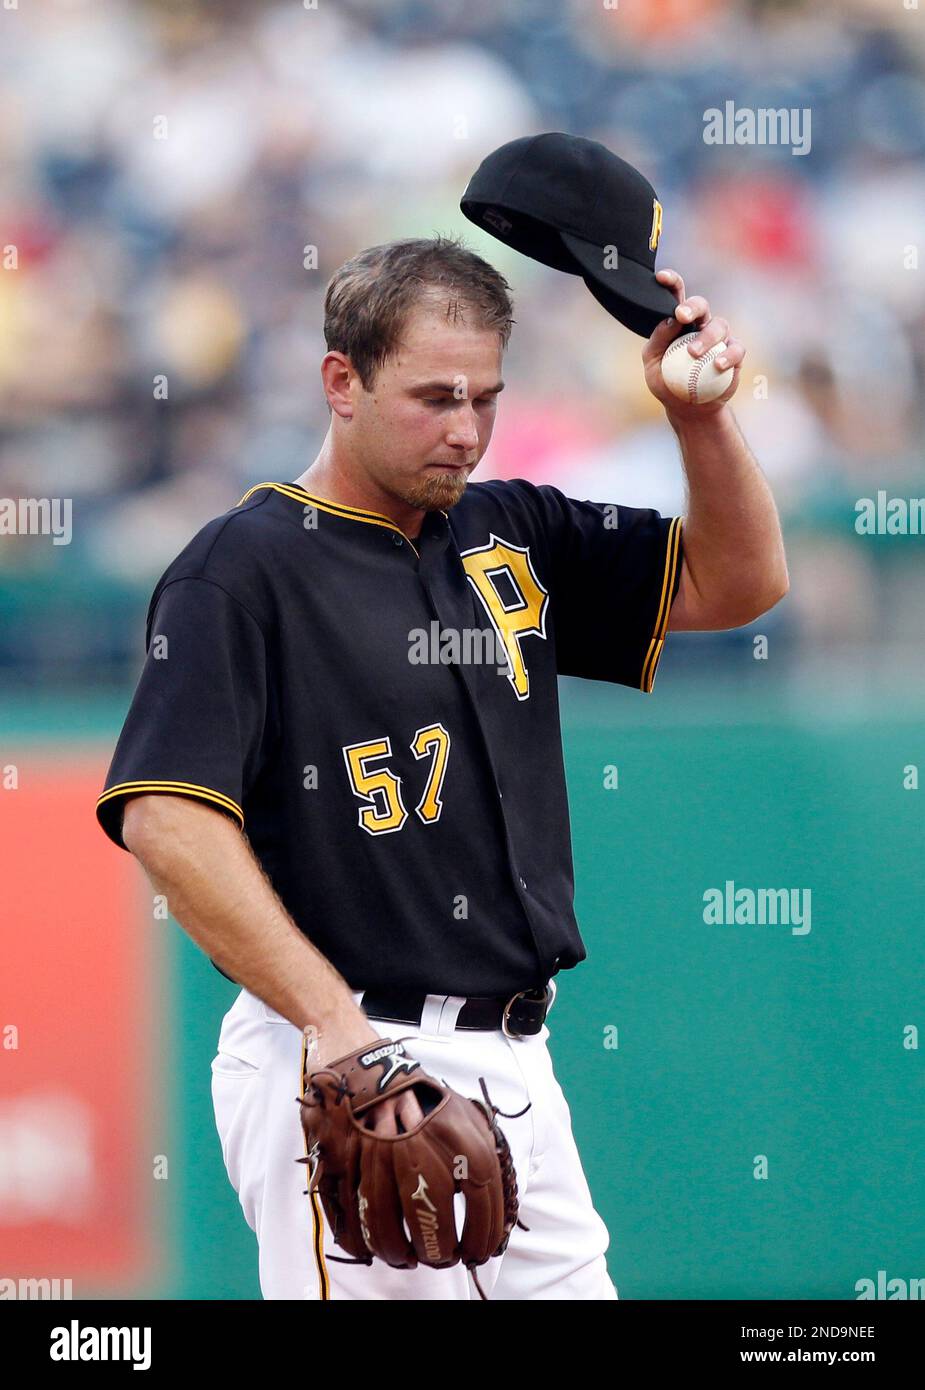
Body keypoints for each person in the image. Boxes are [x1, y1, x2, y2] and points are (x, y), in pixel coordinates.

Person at [96, 235, 788, 1300]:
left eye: (485, 398)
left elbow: (736, 582)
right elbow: (166, 819)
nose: (464, 430)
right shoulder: (240, 571)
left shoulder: (511, 528)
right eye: (432, 398)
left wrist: (697, 417)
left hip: (516, 1054)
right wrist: (336, 1031)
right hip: (348, 1060)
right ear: (342, 380)